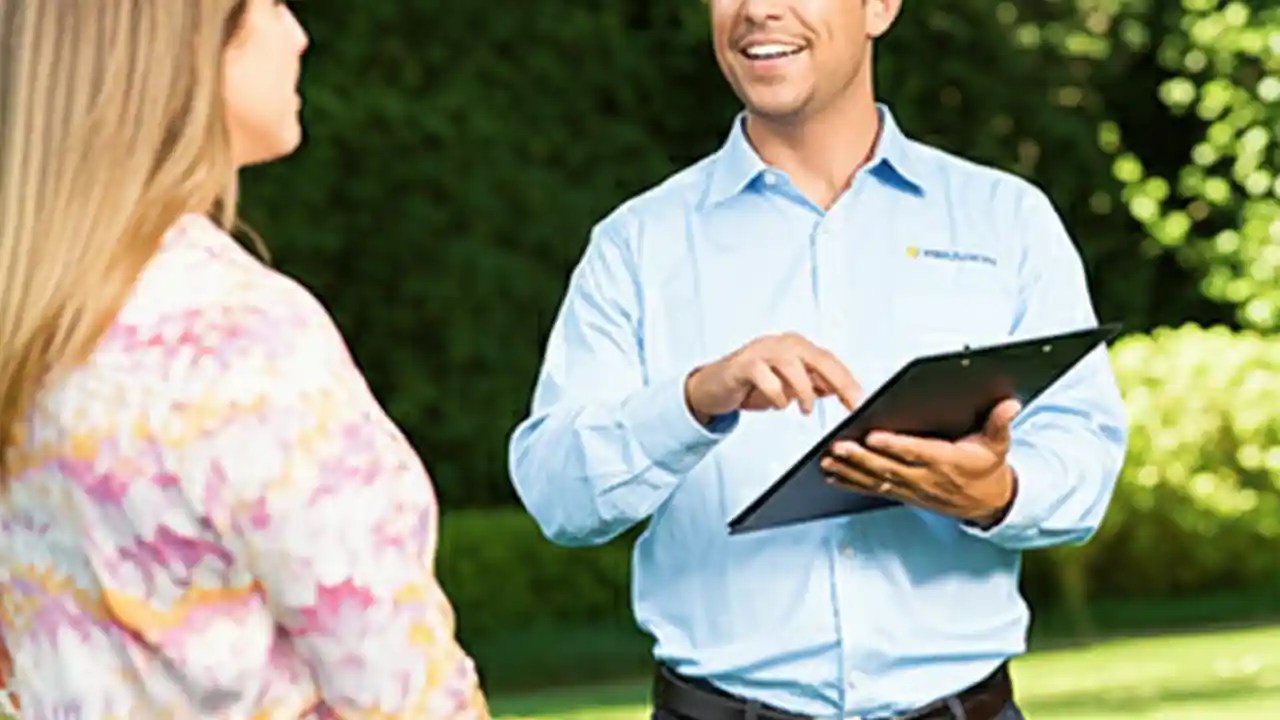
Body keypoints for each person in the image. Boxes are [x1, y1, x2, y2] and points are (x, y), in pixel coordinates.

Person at [508, 1, 1128, 718]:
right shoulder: (636, 244)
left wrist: (998, 493)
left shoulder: (1005, 219)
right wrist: (692, 400)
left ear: (880, 7)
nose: (758, 10)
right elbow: (557, 494)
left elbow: (1086, 452)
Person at [0, 2, 487, 718]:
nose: (298, 34)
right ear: (184, 50)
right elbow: (406, 695)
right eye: (269, 3)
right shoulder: (238, 338)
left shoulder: (28, 339)